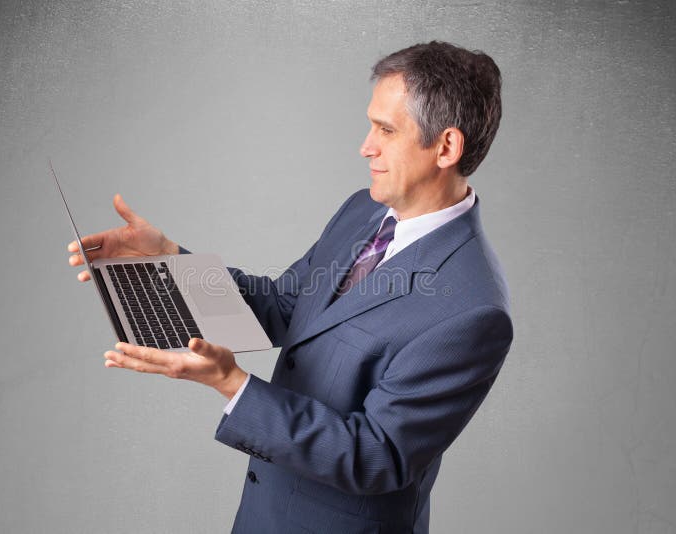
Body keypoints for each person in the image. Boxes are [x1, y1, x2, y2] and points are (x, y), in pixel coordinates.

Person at [68, 40, 512, 534]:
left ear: (446, 147)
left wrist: (230, 384)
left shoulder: (473, 310)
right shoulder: (363, 210)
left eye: (386, 130)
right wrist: (168, 260)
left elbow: (376, 455)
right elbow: (283, 307)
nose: (366, 146)